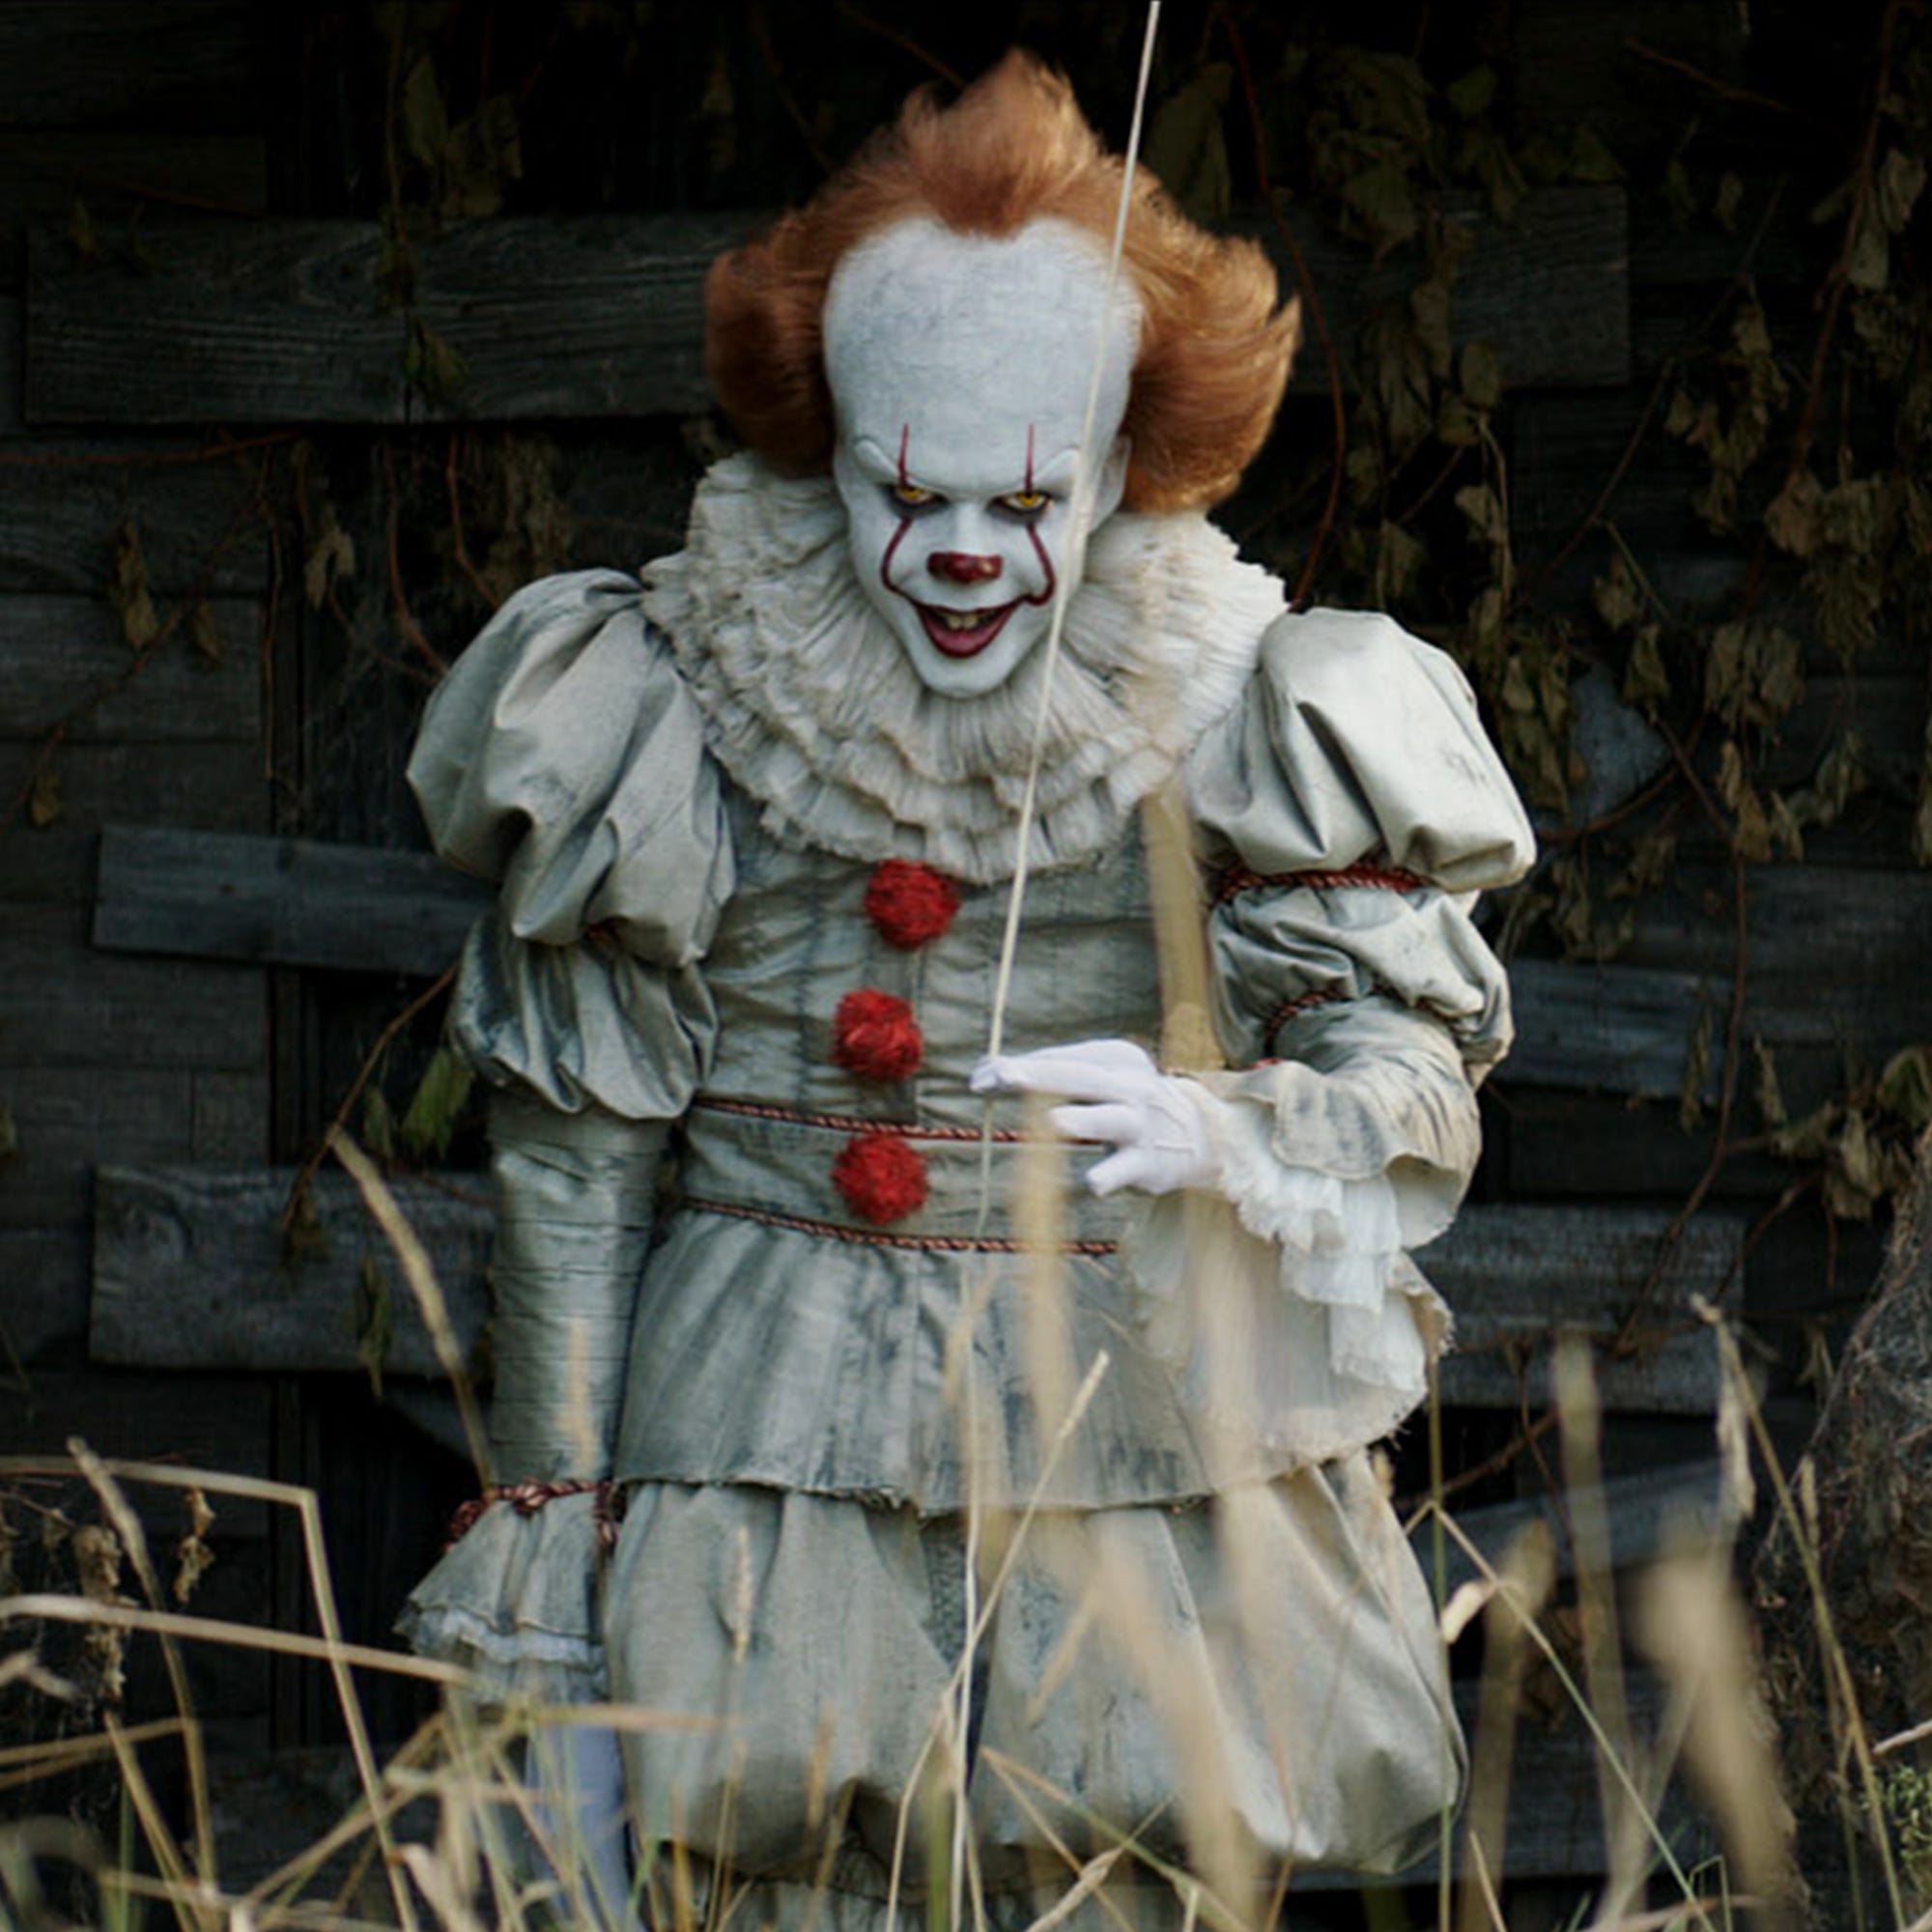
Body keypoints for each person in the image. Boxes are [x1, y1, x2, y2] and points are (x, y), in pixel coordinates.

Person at [400, 50, 1535, 1930]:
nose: (957, 554)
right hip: (756, 1437)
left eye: (1024, 502)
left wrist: (1224, 1126)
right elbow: (576, 1167)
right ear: (829, 441)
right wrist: (548, 1510)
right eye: (902, 489)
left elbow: (1410, 1074)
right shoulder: (671, 694)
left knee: (1116, 1860)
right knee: (751, 1862)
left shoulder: (1255, 696)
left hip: (1123, 1429)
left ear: (1112, 466)